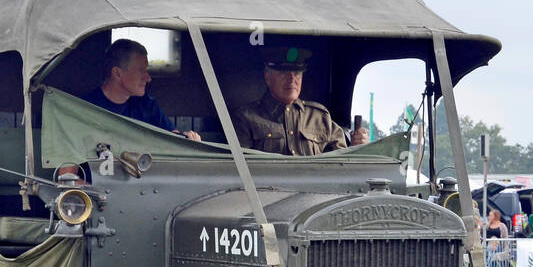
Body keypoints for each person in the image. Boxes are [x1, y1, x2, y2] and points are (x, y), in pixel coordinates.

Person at [233, 47, 368, 155]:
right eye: (284, 73)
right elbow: (239, 171)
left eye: (297, 73)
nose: (292, 79)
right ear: (268, 78)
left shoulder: (320, 117)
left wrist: (356, 149)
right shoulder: (246, 117)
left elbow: (340, 165)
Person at [82, 38, 202, 141]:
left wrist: (185, 138)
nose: (148, 78)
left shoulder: (146, 105)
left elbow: (171, 137)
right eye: (140, 71)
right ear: (117, 73)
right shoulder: (85, 108)